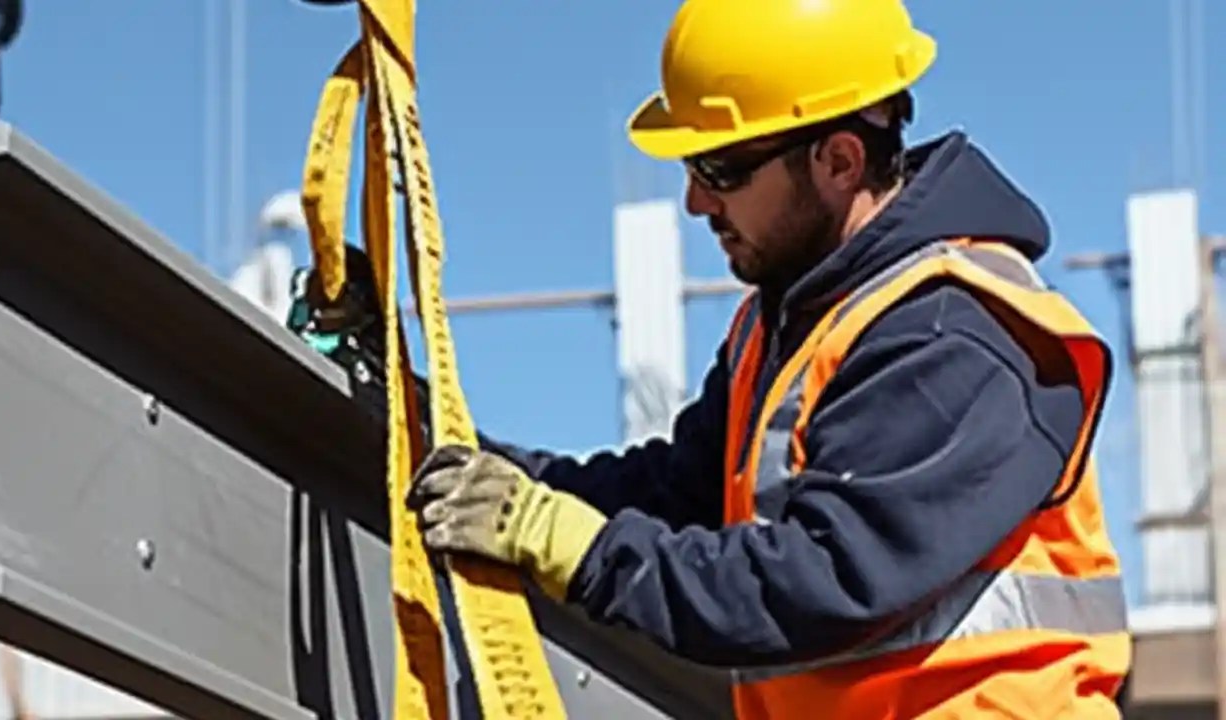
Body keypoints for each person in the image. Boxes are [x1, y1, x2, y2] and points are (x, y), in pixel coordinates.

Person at [401, 0, 1134, 716]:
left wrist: (581, 551)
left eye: (721, 168)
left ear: (839, 161)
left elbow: (825, 579)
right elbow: (675, 492)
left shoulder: (952, 335)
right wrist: (481, 462)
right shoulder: (790, 318)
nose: (695, 202)